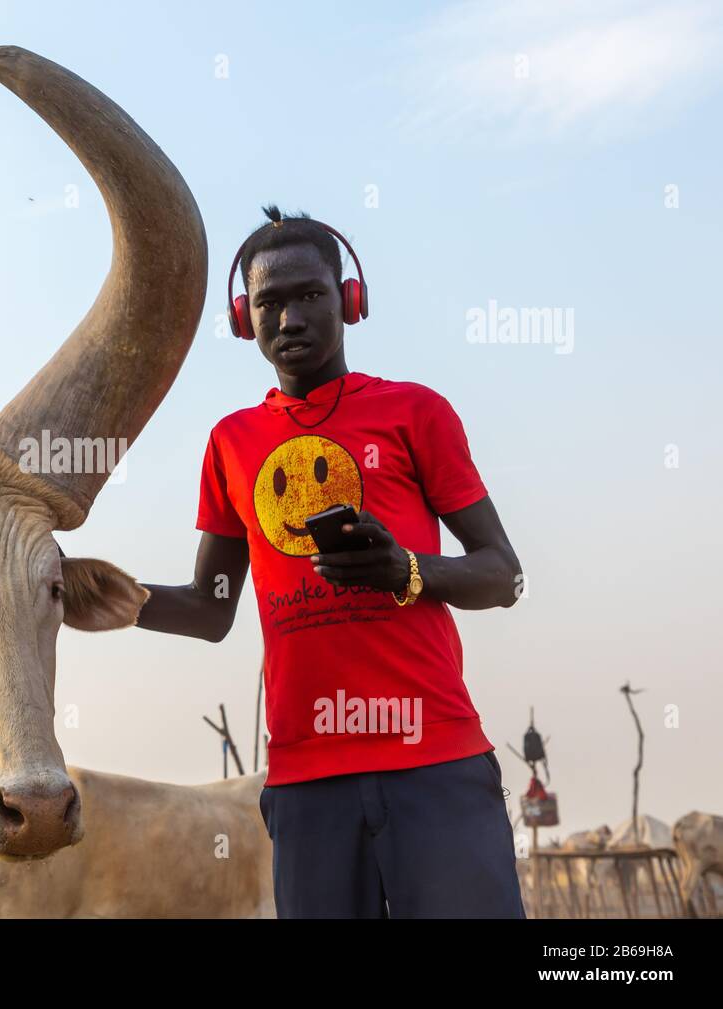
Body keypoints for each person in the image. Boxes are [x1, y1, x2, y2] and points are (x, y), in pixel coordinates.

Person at [134, 206, 526, 918]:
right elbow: (209, 607)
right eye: (269, 303)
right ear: (243, 318)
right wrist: (76, 589)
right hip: (306, 785)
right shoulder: (230, 442)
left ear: (348, 301)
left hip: (434, 762)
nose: (290, 319)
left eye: (309, 295)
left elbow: (504, 574)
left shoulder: (417, 412)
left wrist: (406, 569)